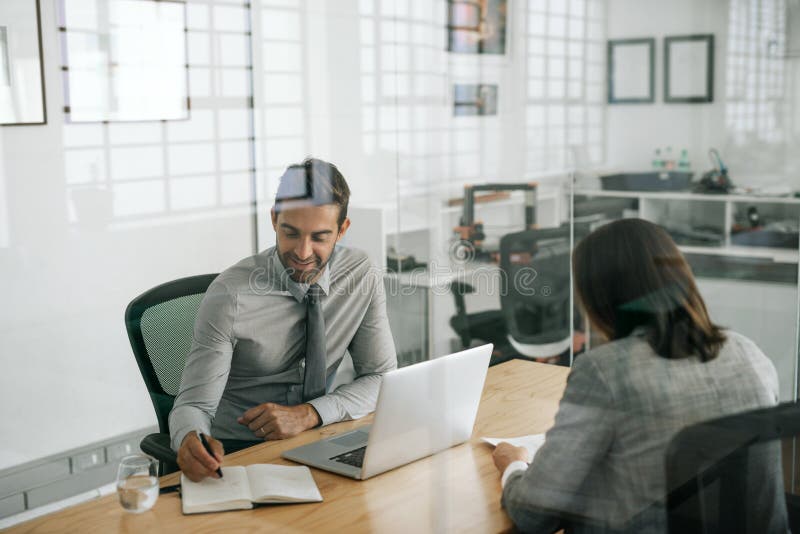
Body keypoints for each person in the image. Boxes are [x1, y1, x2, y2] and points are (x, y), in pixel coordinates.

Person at [492, 218, 786, 533]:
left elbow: (534, 515)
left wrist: (514, 463)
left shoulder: (605, 371)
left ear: (598, 297)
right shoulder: (749, 353)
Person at [170, 158, 397, 482]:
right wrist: (191, 440)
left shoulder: (361, 273)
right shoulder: (230, 296)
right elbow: (193, 405)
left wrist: (310, 414)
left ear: (342, 230)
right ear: (275, 219)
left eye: (320, 237)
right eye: (291, 233)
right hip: (238, 451)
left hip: (318, 436)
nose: (303, 252)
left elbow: (382, 377)